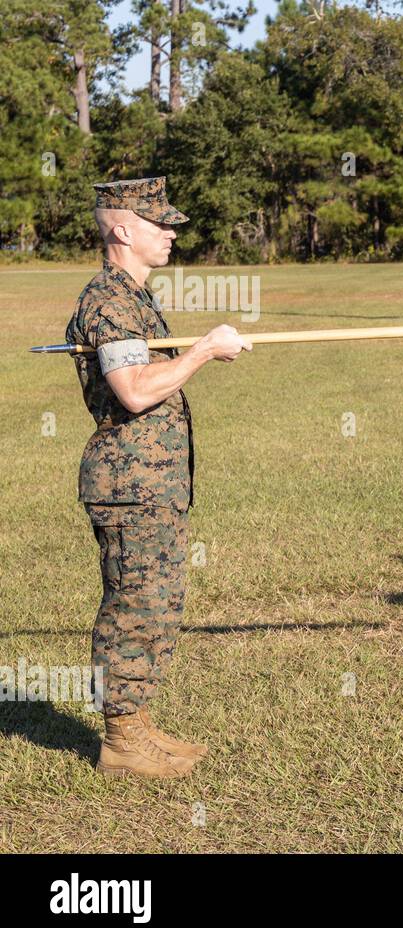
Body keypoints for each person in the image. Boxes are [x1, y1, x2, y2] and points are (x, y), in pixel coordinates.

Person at [64, 177, 250, 779]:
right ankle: (120, 741)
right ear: (123, 229)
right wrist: (202, 353)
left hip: (155, 484)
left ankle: (137, 724)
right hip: (129, 486)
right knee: (133, 606)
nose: (171, 232)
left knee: (158, 605)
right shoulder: (110, 302)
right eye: (159, 223)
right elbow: (134, 391)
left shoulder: (134, 297)